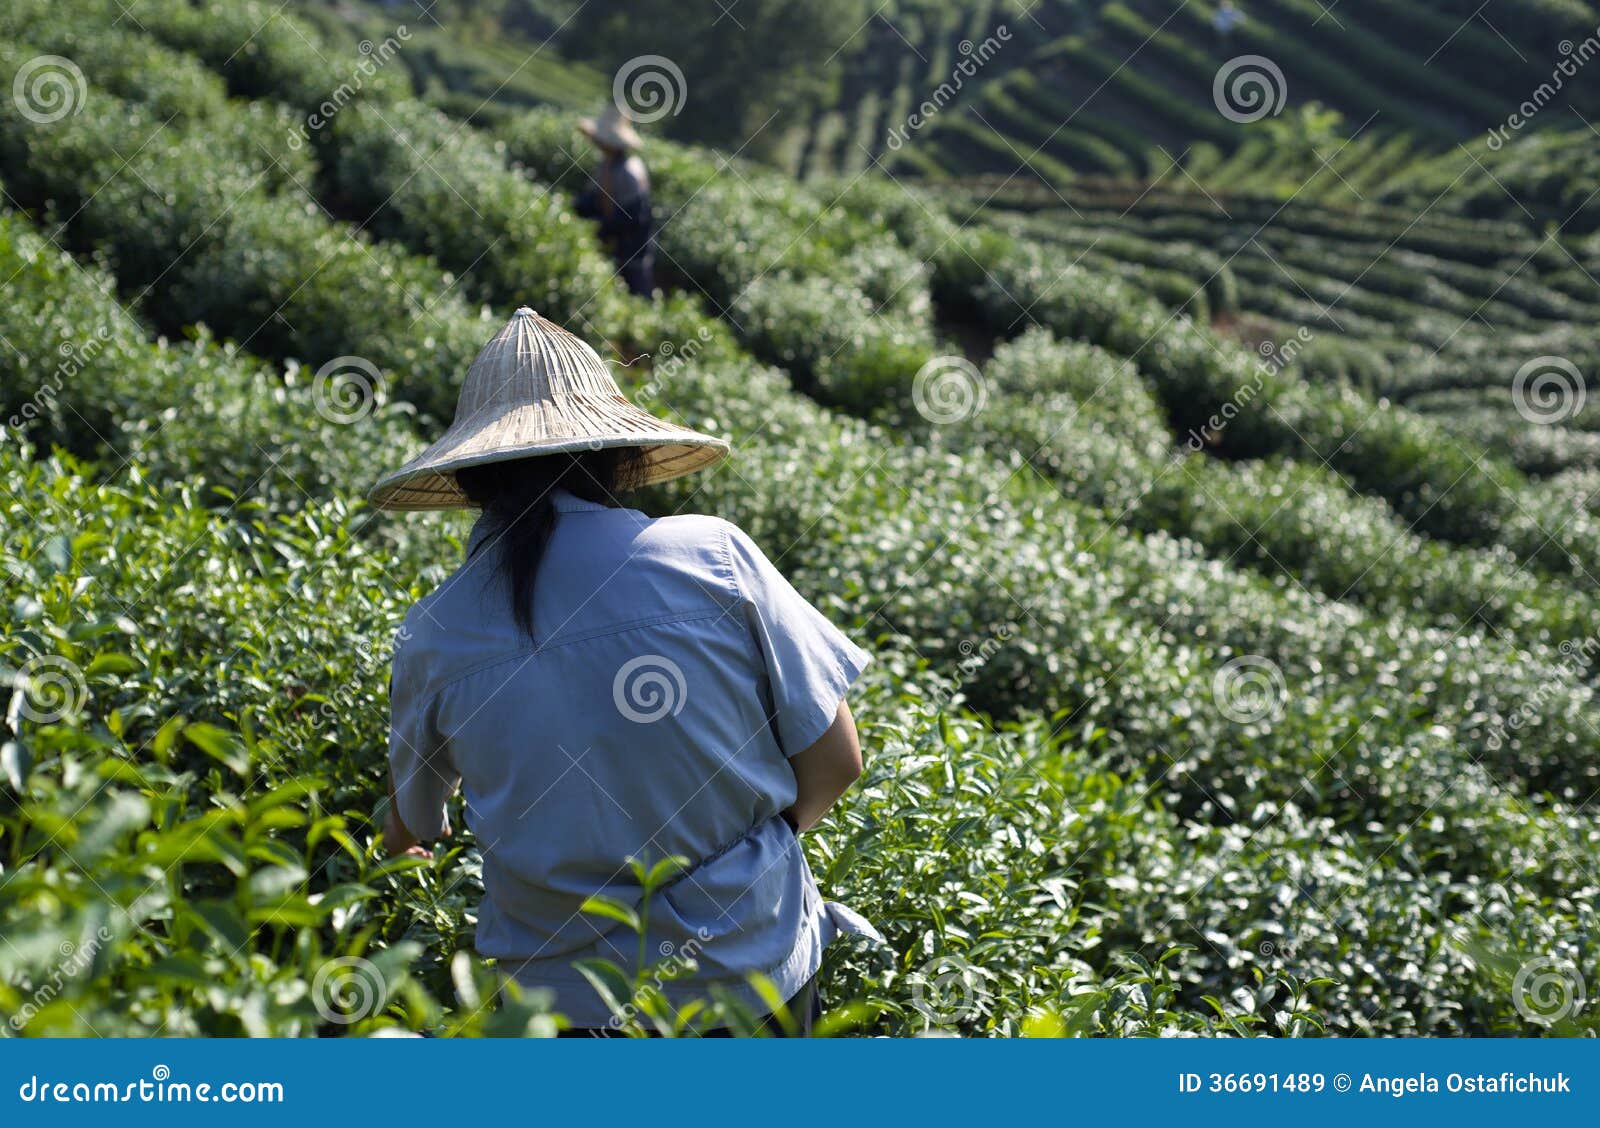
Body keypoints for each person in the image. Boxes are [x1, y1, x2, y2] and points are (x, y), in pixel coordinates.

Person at [369, 307, 877, 1036]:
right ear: (616, 455)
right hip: (752, 973)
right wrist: (740, 868)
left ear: (472, 479)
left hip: (564, 1010)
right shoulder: (713, 558)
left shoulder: (435, 633)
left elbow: (411, 832)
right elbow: (837, 761)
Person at [574, 105, 656, 297]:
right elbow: (592, 199)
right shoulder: (607, 166)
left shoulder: (630, 172)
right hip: (614, 246)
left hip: (632, 251)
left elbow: (635, 218)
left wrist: (604, 228)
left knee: (637, 291)